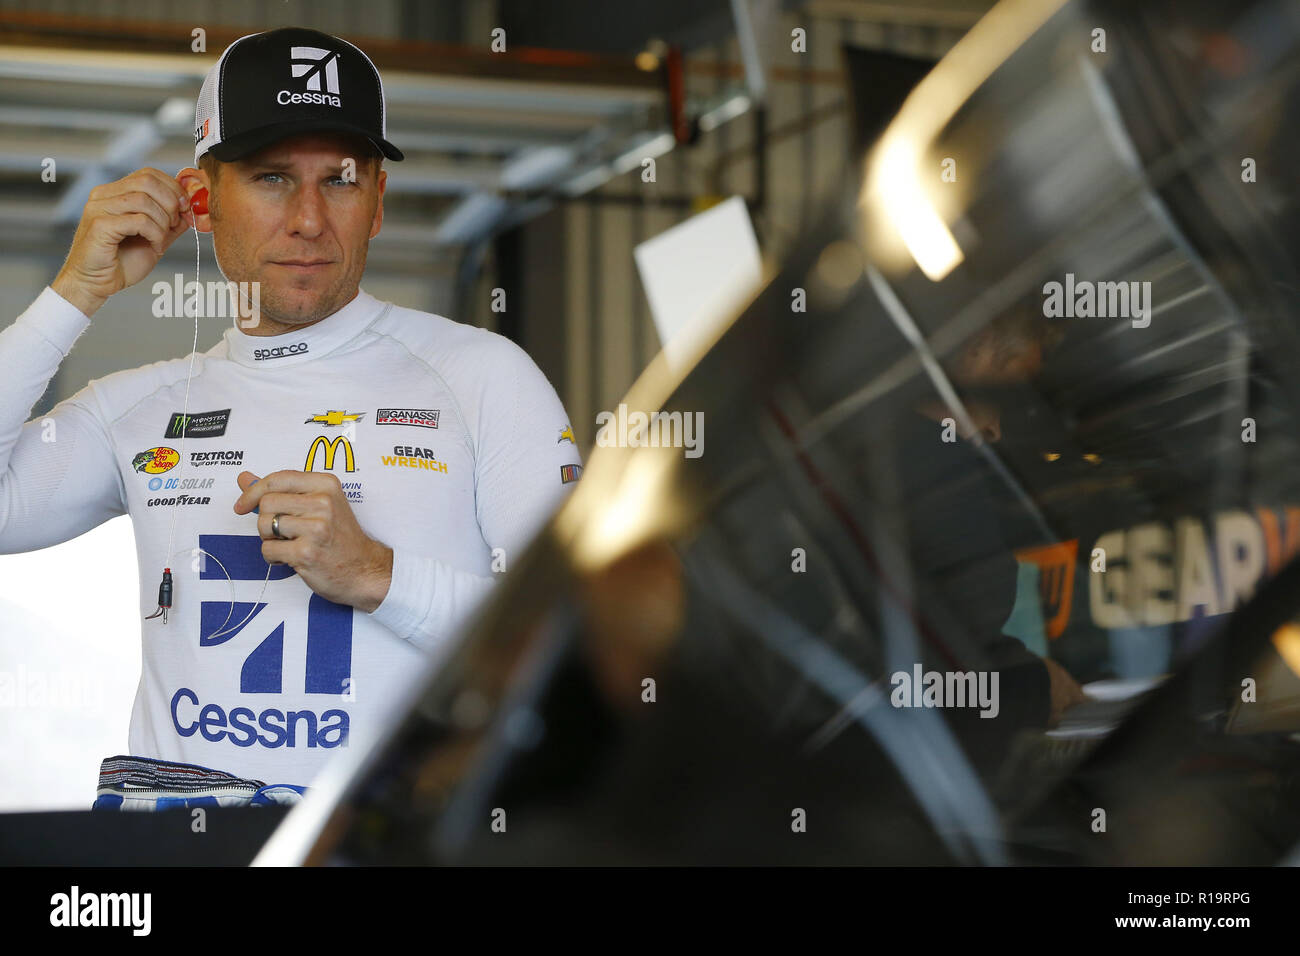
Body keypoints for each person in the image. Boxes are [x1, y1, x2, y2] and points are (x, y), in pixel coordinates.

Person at [0, 27, 583, 806]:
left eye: (340, 180)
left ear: (377, 202)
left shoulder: (482, 377)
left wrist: (376, 574)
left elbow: (578, 643)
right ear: (200, 203)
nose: (309, 219)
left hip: (382, 845)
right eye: (271, 178)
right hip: (180, 851)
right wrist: (74, 293)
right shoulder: (142, 407)